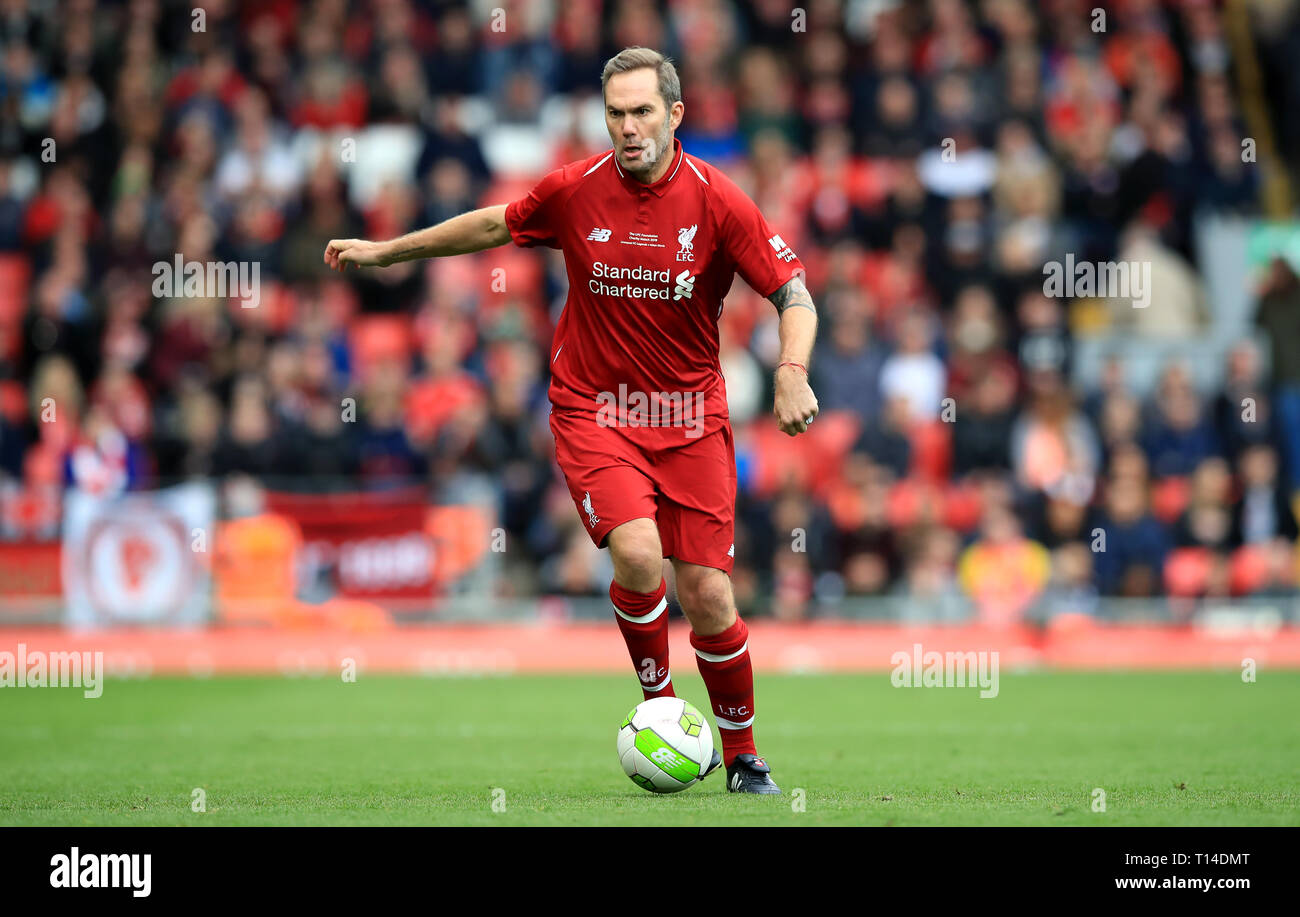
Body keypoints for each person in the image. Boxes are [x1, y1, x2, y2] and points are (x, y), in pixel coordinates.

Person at [324, 47, 819, 793]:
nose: (628, 127)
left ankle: (744, 755)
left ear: (675, 115)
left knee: (711, 596)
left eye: (642, 111)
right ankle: (660, 708)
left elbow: (795, 296)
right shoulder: (577, 190)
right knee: (637, 551)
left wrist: (790, 373)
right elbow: (494, 224)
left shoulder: (719, 201)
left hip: (690, 417)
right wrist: (392, 251)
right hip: (598, 410)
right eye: (615, 113)